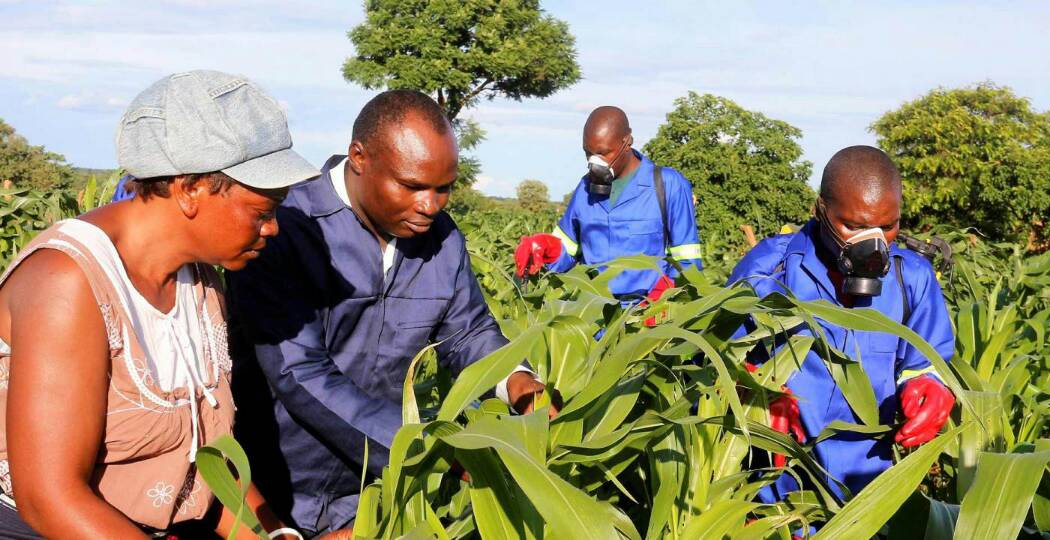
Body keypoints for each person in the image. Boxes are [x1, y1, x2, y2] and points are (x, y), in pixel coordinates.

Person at [0, 70, 326, 539]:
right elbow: (51, 500)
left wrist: (275, 535)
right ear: (190, 187)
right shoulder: (68, 282)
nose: (272, 229)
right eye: (262, 211)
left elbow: (207, 456)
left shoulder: (200, 280)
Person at [225, 89, 551, 536]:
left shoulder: (440, 239)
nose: (430, 206)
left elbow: (468, 330)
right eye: (413, 186)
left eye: (444, 189)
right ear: (360, 157)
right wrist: (420, 447)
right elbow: (298, 372)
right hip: (276, 490)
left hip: (375, 493)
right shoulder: (287, 227)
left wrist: (517, 379)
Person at [728, 145, 955, 502]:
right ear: (820, 209)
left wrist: (931, 386)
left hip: (869, 489)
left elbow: (926, 362)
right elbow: (716, 358)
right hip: (776, 486)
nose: (875, 244)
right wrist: (755, 388)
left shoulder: (911, 277)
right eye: (854, 226)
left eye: (887, 226)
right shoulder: (769, 269)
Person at [515, 106, 703, 303]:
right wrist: (546, 248)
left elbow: (688, 260)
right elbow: (568, 251)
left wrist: (664, 299)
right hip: (593, 314)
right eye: (588, 153)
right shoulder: (585, 188)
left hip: (648, 316)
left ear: (627, 142)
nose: (594, 162)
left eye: (603, 153)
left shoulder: (667, 184)